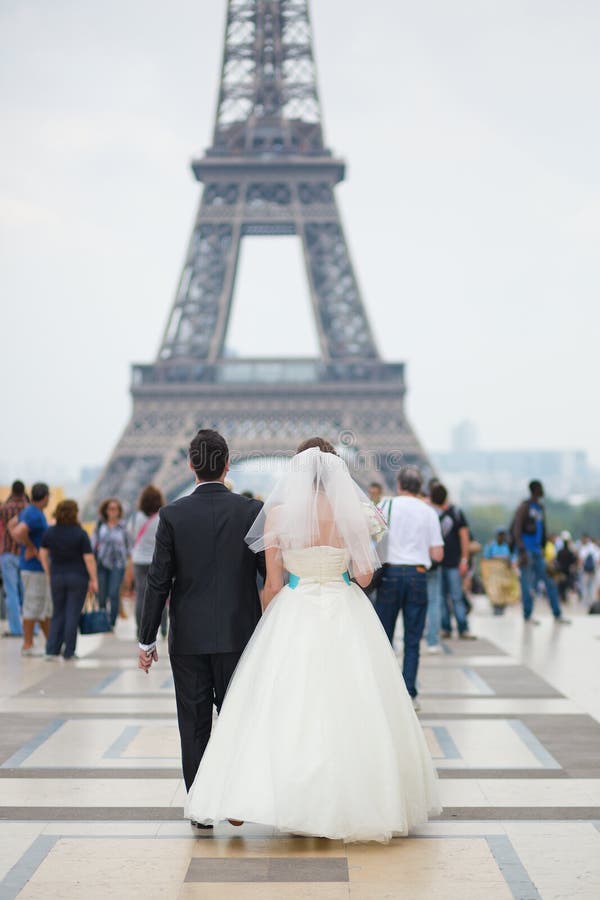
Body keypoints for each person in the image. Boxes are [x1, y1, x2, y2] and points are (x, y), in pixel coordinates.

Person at [183, 439, 440, 841]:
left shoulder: (279, 514)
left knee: (286, 709)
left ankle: (271, 797)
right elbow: (366, 575)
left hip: (295, 606)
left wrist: (266, 631)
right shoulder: (353, 511)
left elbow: (271, 583)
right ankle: (349, 800)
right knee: (353, 706)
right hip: (343, 605)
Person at [137, 429, 265, 825]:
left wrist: (146, 639)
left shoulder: (172, 515)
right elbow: (268, 575)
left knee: (193, 724)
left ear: (191, 465)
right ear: (229, 464)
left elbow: (158, 581)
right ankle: (236, 798)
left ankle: (202, 807)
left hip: (188, 636)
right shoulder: (251, 512)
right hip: (240, 633)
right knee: (236, 718)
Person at [374, 465, 444, 709]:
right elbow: (438, 553)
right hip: (417, 574)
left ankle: (384, 691)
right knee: (412, 639)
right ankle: (409, 693)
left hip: (390, 573)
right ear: (420, 487)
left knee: (384, 638)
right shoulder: (429, 512)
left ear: (399, 484)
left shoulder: (385, 505)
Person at [39, 500, 98, 660]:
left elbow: (43, 553)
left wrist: (48, 570)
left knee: (58, 612)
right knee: (72, 613)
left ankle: (51, 650)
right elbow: (89, 559)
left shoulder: (50, 532)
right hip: (77, 577)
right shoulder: (80, 533)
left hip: (57, 576)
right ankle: (69, 651)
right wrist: (94, 579)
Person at [511, 480, 570, 624]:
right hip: (527, 550)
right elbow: (516, 529)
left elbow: (542, 528)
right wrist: (521, 549)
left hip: (538, 550)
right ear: (535, 490)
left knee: (549, 581)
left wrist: (544, 547)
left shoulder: (539, 507)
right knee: (527, 583)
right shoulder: (524, 507)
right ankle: (527, 615)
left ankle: (557, 613)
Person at [430, 483, 476, 640]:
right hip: (445, 563)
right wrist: (464, 559)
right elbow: (465, 537)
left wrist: (464, 560)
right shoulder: (435, 512)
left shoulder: (454, 513)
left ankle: (459, 627)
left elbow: (464, 536)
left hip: (449, 563)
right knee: (449, 597)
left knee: (451, 596)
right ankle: (451, 628)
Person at [11, 483, 51, 656]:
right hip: (34, 568)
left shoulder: (28, 511)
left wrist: (26, 545)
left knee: (40, 605)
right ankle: (28, 644)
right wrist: (30, 547)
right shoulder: (34, 514)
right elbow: (19, 532)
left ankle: (51, 642)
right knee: (33, 604)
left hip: (32, 568)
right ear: (46, 497)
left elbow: (11, 527)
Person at [127, 485, 167, 640]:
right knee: (160, 595)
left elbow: (130, 536)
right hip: (156, 560)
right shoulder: (161, 517)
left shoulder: (136, 518)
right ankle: (163, 628)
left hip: (139, 561)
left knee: (141, 596)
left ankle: (140, 630)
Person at [93, 498, 131, 630]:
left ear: (119, 511)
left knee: (114, 593)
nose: (112, 511)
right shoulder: (100, 526)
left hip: (118, 565)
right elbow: (93, 546)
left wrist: (128, 570)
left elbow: (128, 548)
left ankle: (112, 623)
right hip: (101, 564)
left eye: (115, 508)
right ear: (105, 510)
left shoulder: (123, 527)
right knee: (102, 595)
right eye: (110, 508)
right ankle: (103, 620)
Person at [0, 480, 29, 636]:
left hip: (8, 553)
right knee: (27, 593)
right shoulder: (28, 508)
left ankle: (16, 629)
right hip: (25, 553)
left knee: (11, 592)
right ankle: (33, 628)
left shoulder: (4, 508)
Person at [482, 528, 519, 615]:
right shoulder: (491, 545)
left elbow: (512, 558)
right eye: (500, 535)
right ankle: (496, 606)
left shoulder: (508, 546)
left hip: (504, 573)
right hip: (494, 573)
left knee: (504, 588)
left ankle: (502, 606)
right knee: (494, 590)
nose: (501, 537)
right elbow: (486, 558)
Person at [556, 531, 578, 604]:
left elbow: (557, 561)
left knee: (562, 586)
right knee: (566, 586)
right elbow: (573, 561)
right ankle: (564, 598)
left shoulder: (560, 552)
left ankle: (563, 598)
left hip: (561, 571)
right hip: (567, 572)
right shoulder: (570, 552)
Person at [578, 534, 599, 607]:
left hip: (585, 570)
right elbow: (598, 560)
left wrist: (581, 568)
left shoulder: (584, 548)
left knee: (584, 586)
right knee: (593, 586)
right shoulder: (595, 548)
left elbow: (581, 560)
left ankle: (585, 602)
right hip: (594, 570)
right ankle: (592, 602)